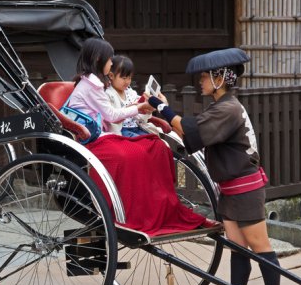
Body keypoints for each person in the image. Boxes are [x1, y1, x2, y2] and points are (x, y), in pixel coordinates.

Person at [147, 47, 284, 285]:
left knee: (259, 244)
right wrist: (164, 115)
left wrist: (160, 105)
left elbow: (191, 130)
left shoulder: (229, 108)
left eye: (205, 76)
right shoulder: (221, 106)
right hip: (231, 188)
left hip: (245, 188)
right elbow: (194, 134)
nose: (201, 81)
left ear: (220, 78)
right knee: (236, 245)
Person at [67, 38, 208, 235]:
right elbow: (112, 115)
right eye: (109, 60)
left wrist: (142, 106)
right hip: (93, 138)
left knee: (157, 147)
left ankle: (158, 206)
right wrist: (138, 107)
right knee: (129, 155)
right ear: (99, 59)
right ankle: (130, 211)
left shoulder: (98, 84)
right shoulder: (92, 86)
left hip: (107, 133)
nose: (111, 63)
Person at [105, 55, 161, 137]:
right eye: (124, 78)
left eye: (130, 78)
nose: (127, 82)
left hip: (137, 127)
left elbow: (140, 115)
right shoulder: (108, 94)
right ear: (111, 76)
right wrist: (135, 108)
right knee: (143, 144)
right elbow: (111, 116)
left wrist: (146, 110)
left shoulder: (130, 92)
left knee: (155, 141)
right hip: (121, 130)